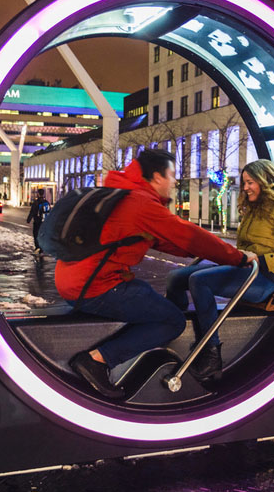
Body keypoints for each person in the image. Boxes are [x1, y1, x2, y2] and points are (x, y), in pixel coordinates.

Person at [55, 149, 252, 399]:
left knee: (145, 293)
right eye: (171, 175)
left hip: (76, 281)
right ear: (157, 177)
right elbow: (189, 234)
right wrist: (237, 257)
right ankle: (97, 360)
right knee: (172, 321)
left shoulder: (124, 194)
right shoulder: (140, 203)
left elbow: (159, 240)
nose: (174, 181)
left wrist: (196, 252)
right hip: (94, 287)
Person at [165, 159, 274, 382]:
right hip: (246, 269)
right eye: (244, 182)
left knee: (200, 280)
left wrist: (261, 260)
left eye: (250, 182)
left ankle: (211, 354)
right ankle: (174, 326)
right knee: (175, 277)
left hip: (265, 278)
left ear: (265, 181)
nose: (245, 188)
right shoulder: (254, 209)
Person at [26, 188, 50, 254]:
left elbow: (32, 212)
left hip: (38, 222)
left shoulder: (36, 202)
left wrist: (28, 220)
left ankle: (38, 248)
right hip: (44, 222)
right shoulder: (46, 202)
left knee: (36, 234)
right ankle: (42, 249)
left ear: (38, 194)